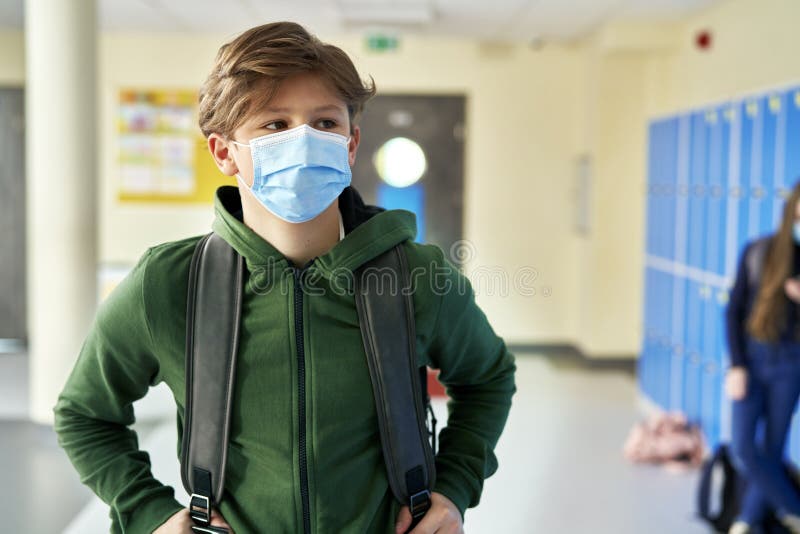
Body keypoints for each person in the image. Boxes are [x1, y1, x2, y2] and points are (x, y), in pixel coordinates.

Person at [53, 21, 516, 534]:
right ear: (224, 152)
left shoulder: (417, 276)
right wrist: (148, 512)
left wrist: (454, 487)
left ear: (351, 144)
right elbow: (85, 415)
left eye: (325, 122)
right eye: (275, 124)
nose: (304, 140)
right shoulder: (168, 285)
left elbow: (487, 378)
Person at [725, 179, 800, 534]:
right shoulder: (758, 251)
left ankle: (746, 521)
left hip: (792, 363)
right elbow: (733, 312)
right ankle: (794, 509)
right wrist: (737, 366)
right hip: (753, 359)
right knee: (743, 446)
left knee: (772, 447)